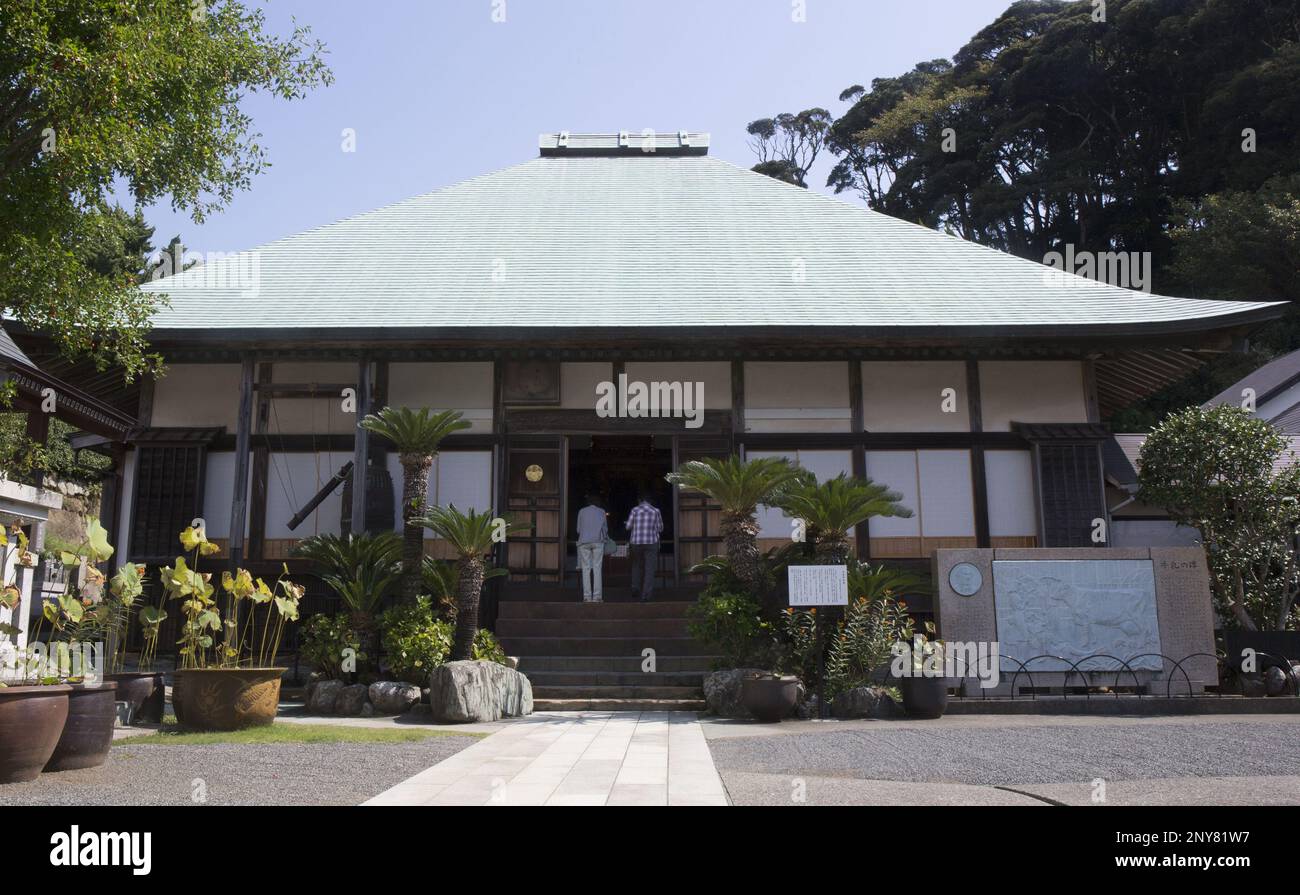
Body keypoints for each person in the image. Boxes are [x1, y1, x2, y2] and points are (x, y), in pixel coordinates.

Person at [625, 488, 663, 602]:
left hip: (636, 542)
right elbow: (660, 528)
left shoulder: (635, 510)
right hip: (651, 542)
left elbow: (628, 527)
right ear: (650, 500)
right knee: (649, 568)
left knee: (636, 564)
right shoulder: (656, 511)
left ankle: (635, 587)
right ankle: (646, 595)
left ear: (640, 500)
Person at [575, 493, 608, 603]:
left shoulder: (581, 511)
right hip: (598, 542)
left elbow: (578, 530)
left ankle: (587, 597)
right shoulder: (602, 511)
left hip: (584, 542)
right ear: (598, 502)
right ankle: (597, 597)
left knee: (586, 569)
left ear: (588, 502)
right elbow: (605, 529)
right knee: (597, 568)